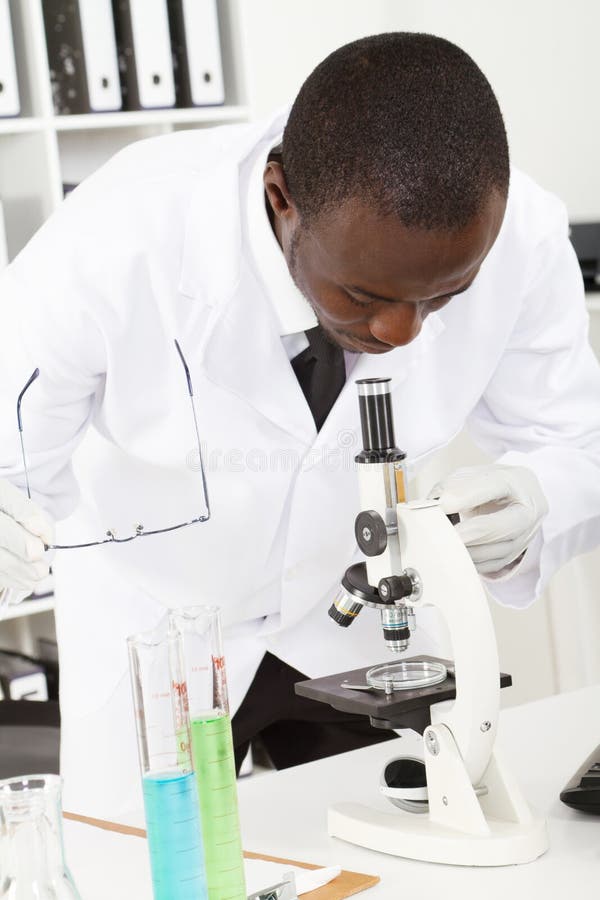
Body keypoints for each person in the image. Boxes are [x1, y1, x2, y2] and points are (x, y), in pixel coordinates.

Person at [0, 32, 599, 818]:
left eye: (443, 297)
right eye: (362, 296)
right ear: (282, 198)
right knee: (147, 858)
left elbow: (577, 443)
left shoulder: (519, 236)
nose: (400, 333)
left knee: (424, 839)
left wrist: (531, 497)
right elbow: (10, 457)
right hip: (160, 617)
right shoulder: (117, 239)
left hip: (354, 610)